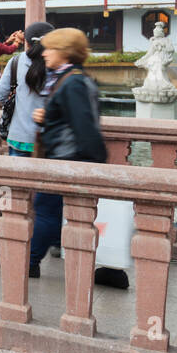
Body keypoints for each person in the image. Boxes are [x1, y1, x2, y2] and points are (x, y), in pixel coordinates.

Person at [27, 27, 111, 282]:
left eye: (50, 48)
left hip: (67, 158)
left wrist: (98, 163)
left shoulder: (73, 82)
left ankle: (30, 260)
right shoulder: (71, 78)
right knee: (51, 209)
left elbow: (84, 125)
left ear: (65, 52)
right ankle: (38, 255)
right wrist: (49, 116)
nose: (45, 54)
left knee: (46, 209)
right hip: (66, 156)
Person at [0, 22, 54, 157]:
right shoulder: (57, 65)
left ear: (26, 42)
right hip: (49, 140)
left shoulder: (16, 62)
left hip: (19, 136)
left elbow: (0, 95)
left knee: (17, 177)